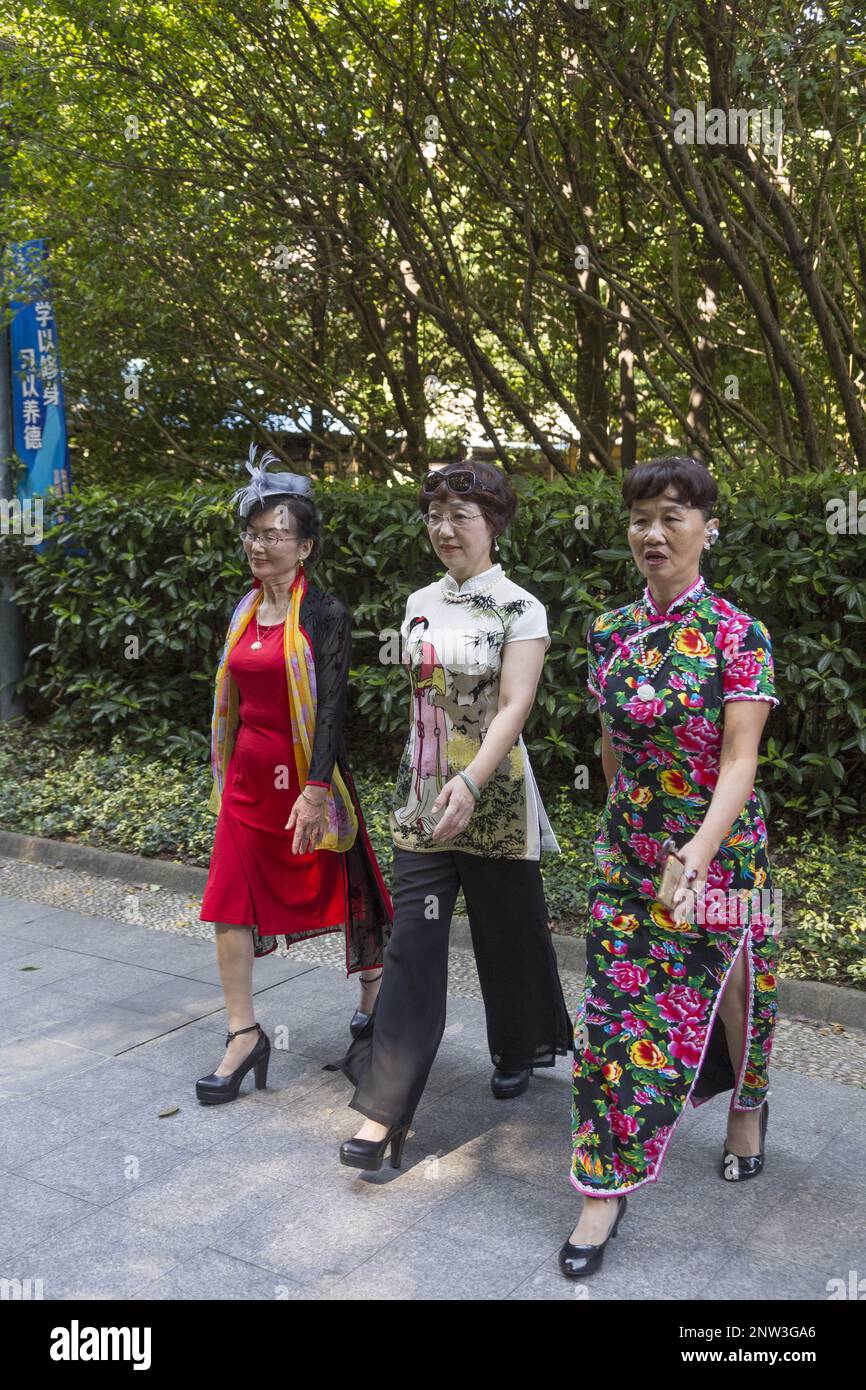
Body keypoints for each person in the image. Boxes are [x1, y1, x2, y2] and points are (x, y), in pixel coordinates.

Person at [560, 455, 780, 1279]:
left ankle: (747, 1107)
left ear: (707, 528)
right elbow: (613, 749)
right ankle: (602, 1189)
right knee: (614, 1007)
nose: (653, 533)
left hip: (721, 850)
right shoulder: (611, 630)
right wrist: (633, 832)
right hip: (632, 850)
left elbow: (739, 759)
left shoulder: (738, 632)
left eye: (672, 517)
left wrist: (698, 851)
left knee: (735, 984)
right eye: (640, 519)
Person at [333, 460, 573, 1171]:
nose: (444, 529)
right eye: (435, 515)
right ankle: (383, 1114)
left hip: (493, 798)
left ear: (493, 525)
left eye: (461, 516)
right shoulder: (418, 600)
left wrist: (471, 779)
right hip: (423, 799)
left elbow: (515, 707)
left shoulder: (521, 608)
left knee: (511, 934)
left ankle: (520, 1046)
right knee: (413, 944)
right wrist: (431, 781)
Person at [196, 446, 392, 1103]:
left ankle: (374, 1015)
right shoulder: (242, 610)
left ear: (303, 546)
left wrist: (313, 790)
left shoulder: (325, 614)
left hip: (308, 784)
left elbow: (331, 708)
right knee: (227, 903)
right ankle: (243, 1034)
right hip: (246, 787)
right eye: (252, 533)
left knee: (351, 895)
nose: (259, 544)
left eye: (273, 533)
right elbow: (231, 701)